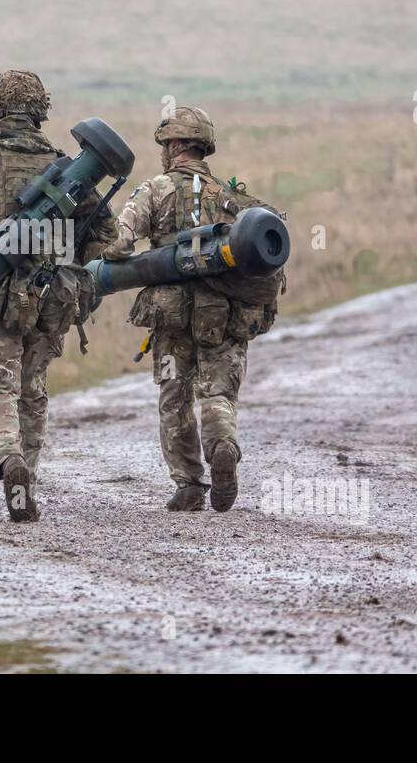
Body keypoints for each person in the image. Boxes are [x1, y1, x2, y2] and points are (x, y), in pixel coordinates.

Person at [0, 70, 116, 522]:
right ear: (39, 112)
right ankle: (25, 472)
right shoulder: (68, 167)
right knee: (34, 390)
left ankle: (7, 456)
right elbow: (104, 233)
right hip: (51, 298)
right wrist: (68, 267)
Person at [103, 106, 283, 512]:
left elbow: (119, 242)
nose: (164, 151)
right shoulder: (232, 197)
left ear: (176, 145)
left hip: (172, 314)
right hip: (224, 314)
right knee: (218, 391)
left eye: (166, 144)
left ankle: (188, 484)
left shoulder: (155, 189)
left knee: (175, 396)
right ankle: (222, 445)